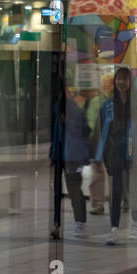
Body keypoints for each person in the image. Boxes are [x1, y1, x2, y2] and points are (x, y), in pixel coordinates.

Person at [95, 65, 137, 245]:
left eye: (125, 79)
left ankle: (135, 223)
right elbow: (103, 133)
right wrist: (102, 157)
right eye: (118, 79)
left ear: (130, 82)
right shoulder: (108, 105)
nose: (121, 82)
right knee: (115, 192)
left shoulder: (135, 105)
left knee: (134, 190)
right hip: (115, 152)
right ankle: (114, 229)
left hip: (131, 153)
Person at [50, 82, 91, 239]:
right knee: (58, 191)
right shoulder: (57, 107)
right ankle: (57, 223)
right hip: (62, 153)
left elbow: (79, 131)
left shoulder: (73, 109)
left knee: (74, 189)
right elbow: (56, 131)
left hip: (73, 155)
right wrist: (53, 153)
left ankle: (80, 222)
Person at [84, 72, 113, 214]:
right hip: (107, 144)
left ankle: (98, 204)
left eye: (109, 83)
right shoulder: (116, 102)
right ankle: (120, 201)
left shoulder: (97, 101)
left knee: (98, 174)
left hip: (99, 144)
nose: (107, 86)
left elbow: (89, 124)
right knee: (111, 174)